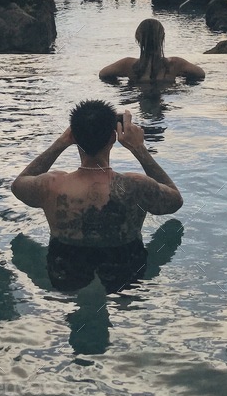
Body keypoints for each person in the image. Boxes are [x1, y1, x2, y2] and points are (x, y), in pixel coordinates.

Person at [11, 101, 183, 293]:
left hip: (65, 276)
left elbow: (19, 184)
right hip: (126, 278)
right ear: (113, 137)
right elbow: (175, 200)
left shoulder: (52, 185)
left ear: (73, 136)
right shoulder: (136, 186)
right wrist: (138, 149)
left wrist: (61, 143)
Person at [99, 18, 205, 83]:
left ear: (138, 38)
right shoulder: (175, 64)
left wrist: (122, 84)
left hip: (138, 93)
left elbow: (103, 74)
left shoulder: (128, 64)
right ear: (162, 38)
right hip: (166, 93)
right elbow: (200, 73)